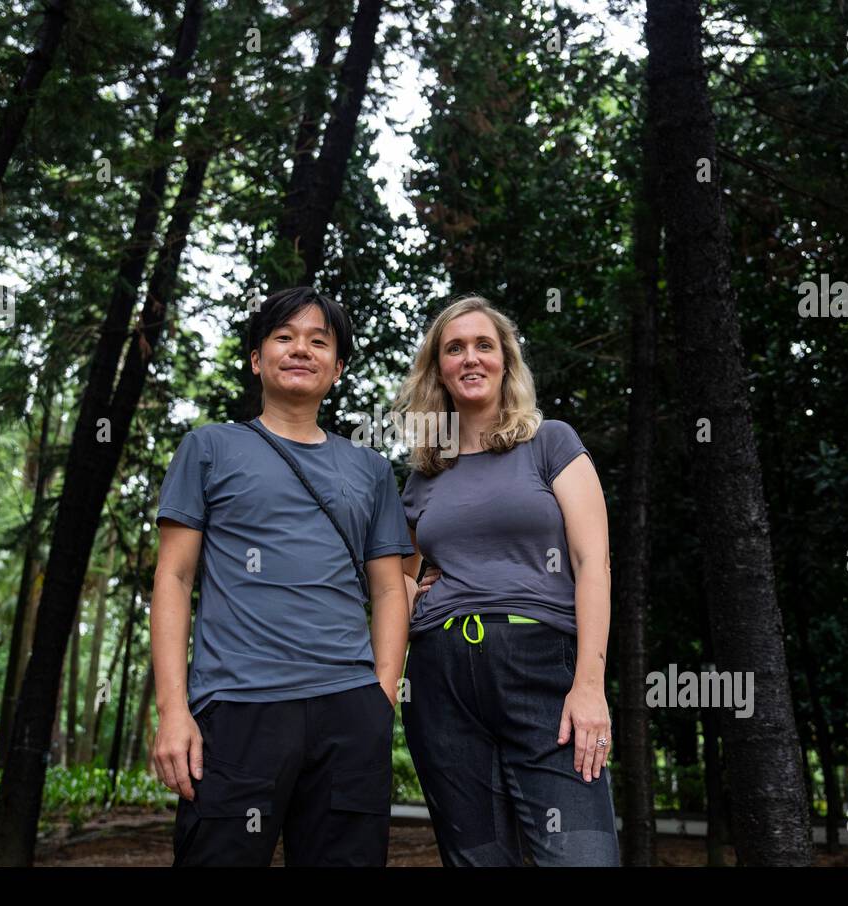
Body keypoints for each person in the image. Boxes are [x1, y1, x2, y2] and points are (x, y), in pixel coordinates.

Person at [150, 287, 414, 866]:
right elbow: (173, 578)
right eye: (284, 337)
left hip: (349, 707)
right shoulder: (210, 447)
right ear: (256, 358)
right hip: (237, 706)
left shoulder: (369, 468)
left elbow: (391, 587)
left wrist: (381, 696)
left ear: (338, 367)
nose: (302, 350)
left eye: (319, 341)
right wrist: (174, 711)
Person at [394, 294, 620, 866]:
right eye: (455, 348)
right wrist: (413, 599)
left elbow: (594, 563)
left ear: (505, 361)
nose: (471, 358)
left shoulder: (551, 443)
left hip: (542, 669)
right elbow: (396, 577)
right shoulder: (425, 473)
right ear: (437, 369)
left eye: (484, 345)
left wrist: (589, 686)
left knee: (583, 858)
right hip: (440, 679)